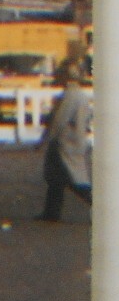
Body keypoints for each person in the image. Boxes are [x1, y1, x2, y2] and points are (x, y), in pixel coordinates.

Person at [38, 56, 93, 222]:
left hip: (65, 144)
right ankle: (51, 212)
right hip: (74, 142)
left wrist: (45, 140)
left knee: (75, 182)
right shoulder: (81, 95)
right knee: (56, 180)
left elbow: (60, 120)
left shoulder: (70, 95)